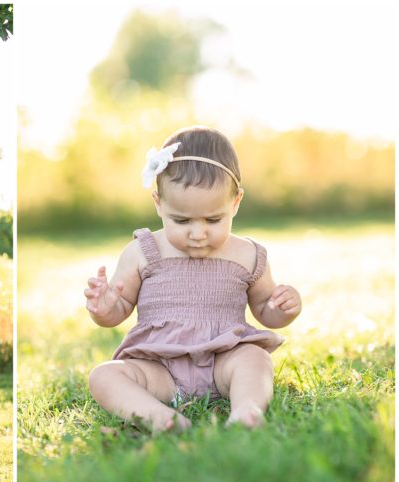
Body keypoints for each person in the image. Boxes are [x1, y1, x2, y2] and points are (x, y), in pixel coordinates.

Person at [84, 126, 302, 431]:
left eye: (213, 220)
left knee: (255, 358)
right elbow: (118, 308)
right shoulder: (142, 251)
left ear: (235, 202)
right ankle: (159, 417)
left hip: (223, 362)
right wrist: (106, 307)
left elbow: (266, 309)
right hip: (159, 367)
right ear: (159, 203)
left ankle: (246, 409)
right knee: (104, 375)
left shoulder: (247, 254)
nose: (197, 234)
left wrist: (283, 307)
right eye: (181, 220)